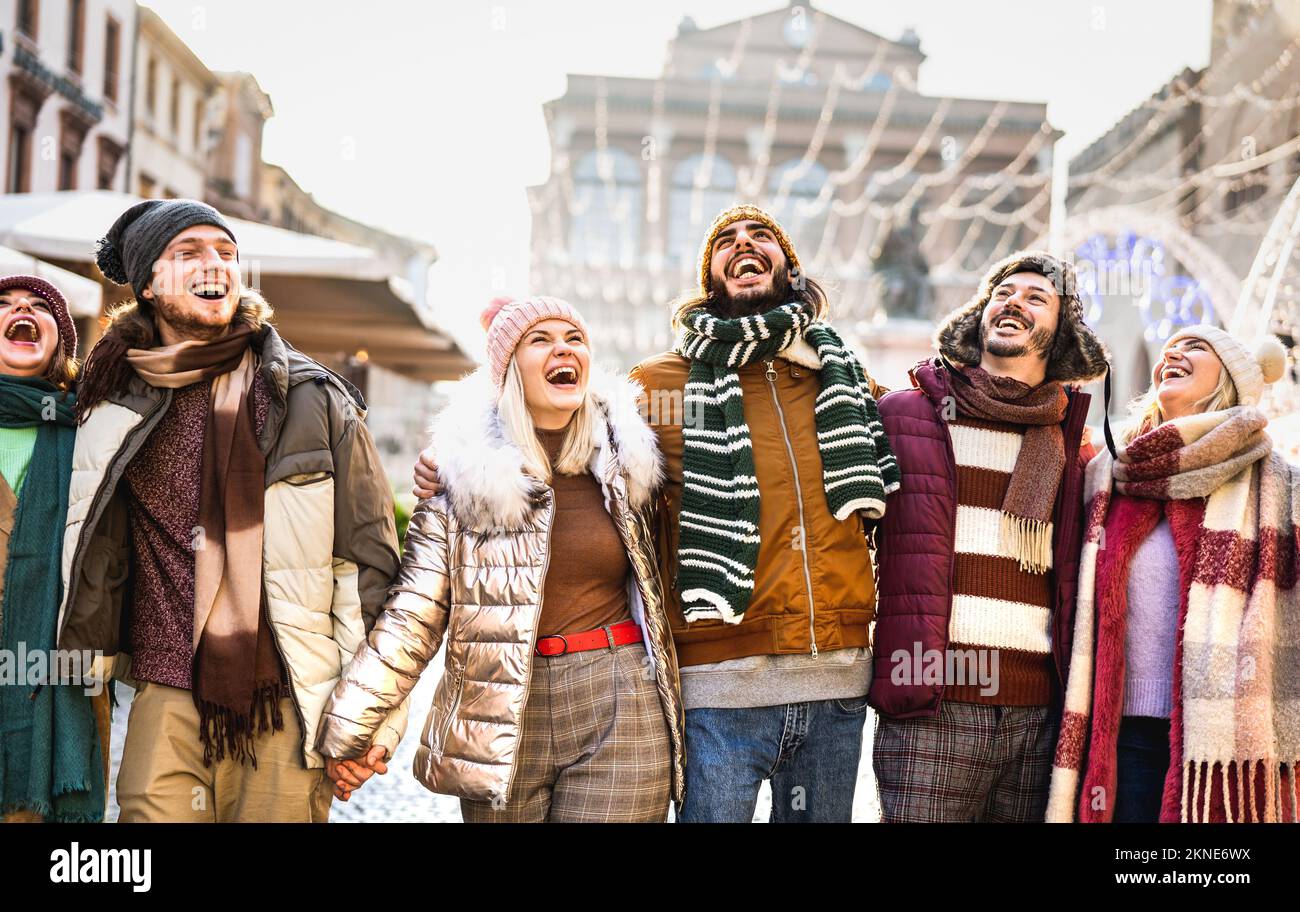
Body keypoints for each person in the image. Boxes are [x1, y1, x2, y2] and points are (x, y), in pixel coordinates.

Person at [58, 198, 403, 823]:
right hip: (163, 691)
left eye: (225, 253)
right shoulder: (108, 401)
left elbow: (371, 569)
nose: (214, 264)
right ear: (148, 286)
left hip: (285, 695)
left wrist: (368, 719)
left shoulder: (310, 398)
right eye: (187, 253)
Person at [318, 296, 685, 823]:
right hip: (497, 707)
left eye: (574, 339)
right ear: (509, 368)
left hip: (618, 696)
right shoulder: (461, 477)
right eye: (541, 340)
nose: (564, 349)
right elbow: (412, 616)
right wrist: (352, 729)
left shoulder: (629, 463)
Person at [869, 250, 1109, 823]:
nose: (1014, 303)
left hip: (1039, 718)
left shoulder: (1073, 448)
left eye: (1035, 298)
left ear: (1061, 333)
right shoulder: (907, 415)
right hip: (933, 708)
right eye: (1003, 292)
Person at [1048, 325, 1298, 823]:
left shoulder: (1278, 482)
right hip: (1121, 736)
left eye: (1195, 347)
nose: (1174, 354)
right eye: (1169, 350)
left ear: (1230, 378)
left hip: (1226, 740)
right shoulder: (1110, 475)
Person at [0, 275, 110, 823]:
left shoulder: (93, 433)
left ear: (62, 341)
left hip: (61, 672)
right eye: (3, 305)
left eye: (38, 307)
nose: (20, 309)